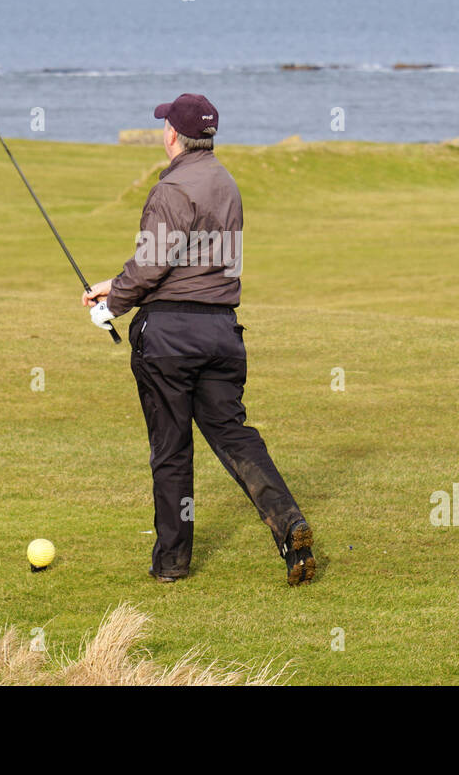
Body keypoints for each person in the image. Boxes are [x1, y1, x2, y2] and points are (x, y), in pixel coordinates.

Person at [82, 93, 315, 586]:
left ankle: (171, 563)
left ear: (172, 135)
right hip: (220, 332)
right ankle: (288, 523)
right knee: (233, 435)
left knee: (171, 450)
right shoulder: (225, 182)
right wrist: (115, 282)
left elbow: (151, 265)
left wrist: (113, 303)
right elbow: (186, 261)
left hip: (169, 336)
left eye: (165, 124)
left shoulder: (171, 189)